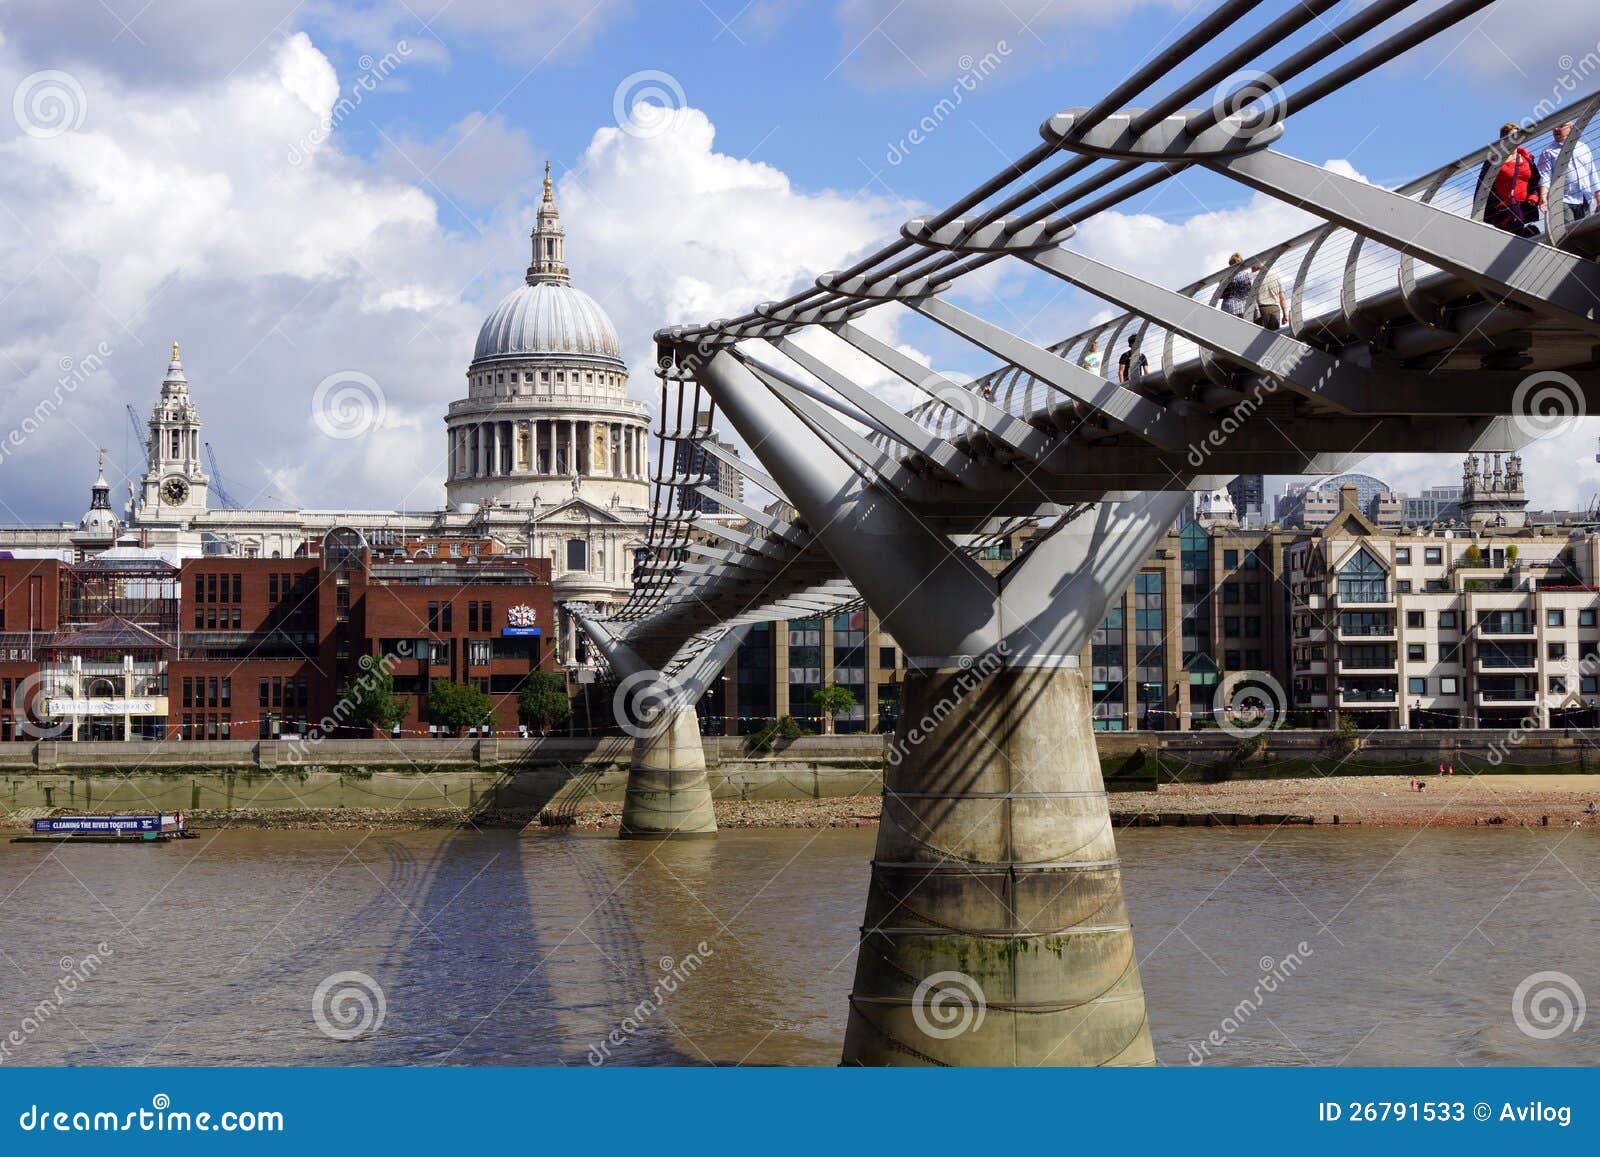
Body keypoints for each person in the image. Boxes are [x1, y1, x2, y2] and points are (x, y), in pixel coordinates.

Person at [1480, 122, 1542, 235]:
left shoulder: (1527, 158)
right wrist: (1479, 214)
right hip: (1504, 209)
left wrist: (1534, 195)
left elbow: (1536, 181)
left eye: (1517, 136)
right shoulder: (1494, 161)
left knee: (1531, 235)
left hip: (1525, 208)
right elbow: (1482, 187)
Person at [1536, 120, 1600, 222]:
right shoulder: (1547, 152)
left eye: (1561, 126)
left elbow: (1592, 174)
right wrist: (1543, 197)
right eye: (1554, 126)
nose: (1556, 129)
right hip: (1561, 200)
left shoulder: (1583, 147)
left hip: (1584, 199)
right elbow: (1545, 177)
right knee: (1569, 232)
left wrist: (1598, 198)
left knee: (1584, 232)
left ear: (1571, 128)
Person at [1251, 262, 1287, 329]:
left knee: (1259, 336)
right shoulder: (1276, 277)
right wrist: (1285, 314)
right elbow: (1282, 298)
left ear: (1255, 267)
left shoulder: (1252, 277)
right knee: (1273, 335)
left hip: (1260, 310)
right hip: (1275, 309)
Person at [1219, 253, 1254, 317]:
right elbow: (1249, 291)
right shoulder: (1246, 275)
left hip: (1228, 309)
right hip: (1243, 308)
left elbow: (1220, 295)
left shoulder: (1226, 277)